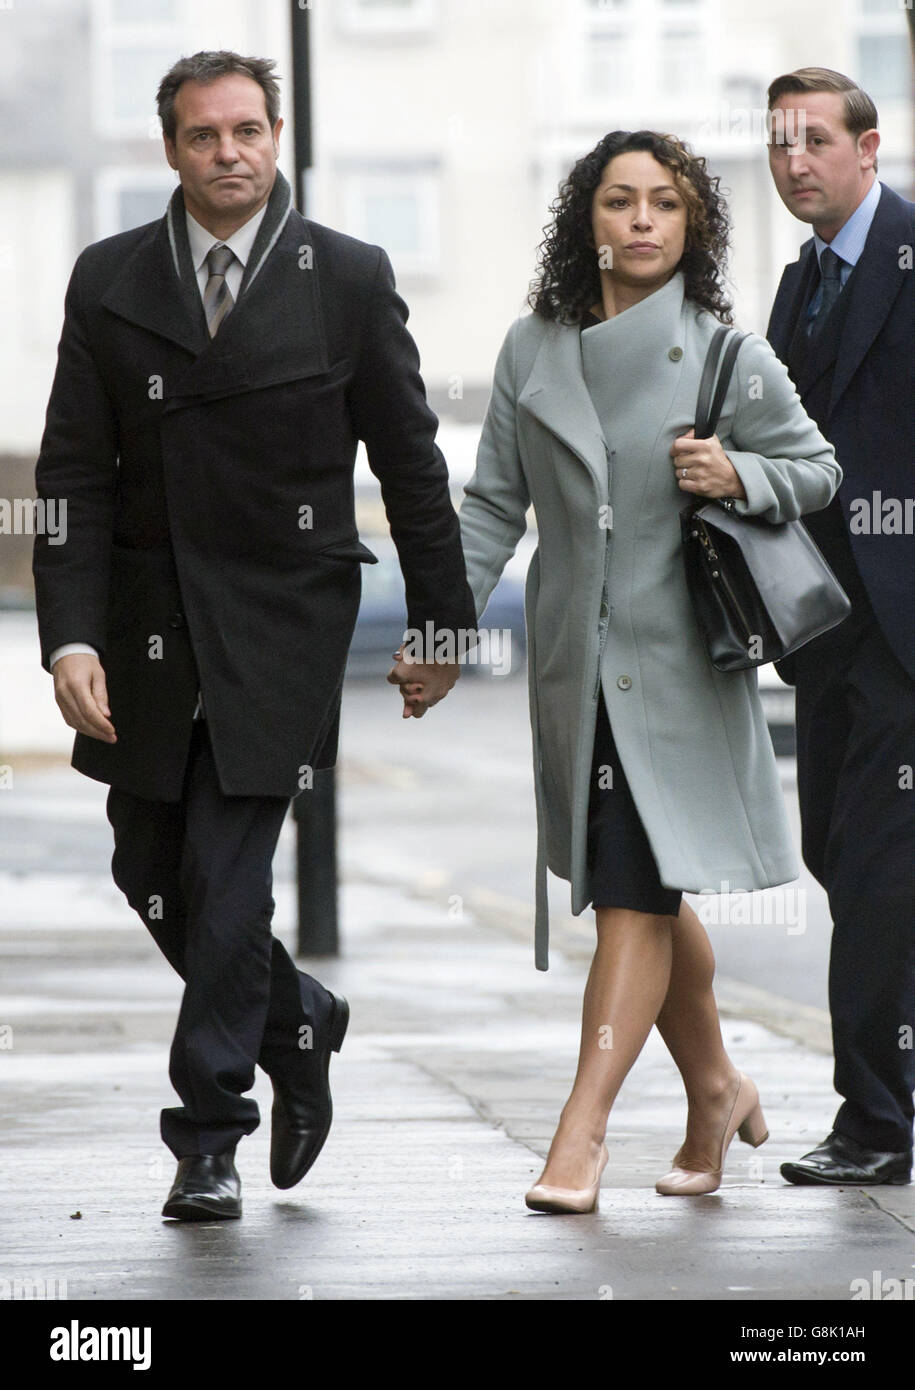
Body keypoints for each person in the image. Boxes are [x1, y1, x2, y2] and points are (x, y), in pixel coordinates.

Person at [32, 50, 473, 1222]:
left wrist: (439, 618)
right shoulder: (110, 277)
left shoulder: (349, 277)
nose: (228, 153)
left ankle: (209, 1131)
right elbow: (72, 474)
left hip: (280, 620)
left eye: (247, 131)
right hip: (145, 626)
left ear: (278, 136)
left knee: (228, 883)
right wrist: (69, 639)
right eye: (202, 135)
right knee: (148, 867)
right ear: (169, 149)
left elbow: (412, 459)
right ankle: (299, 1019)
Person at [451, 130, 841, 1212]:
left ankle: (579, 1137)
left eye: (664, 204)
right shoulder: (534, 347)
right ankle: (715, 1086)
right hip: (575, 671)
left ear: (691, 223)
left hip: (677, 676)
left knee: (630, 895)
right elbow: (491, 504)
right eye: (619, 201)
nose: (641, 221)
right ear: (587, 220)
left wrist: (739, 471)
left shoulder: (726, 354)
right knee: (647, 890)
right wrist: (442, 631)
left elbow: (818, 469)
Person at [765, 67, 915, 1187]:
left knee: (872, 870)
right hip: (824, 628)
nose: (795, 161)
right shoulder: (795, 281)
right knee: (837, 852)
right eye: (780, 144)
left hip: (906, 628)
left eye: (816, 140)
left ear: (869, 148)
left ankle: (874, 1122)